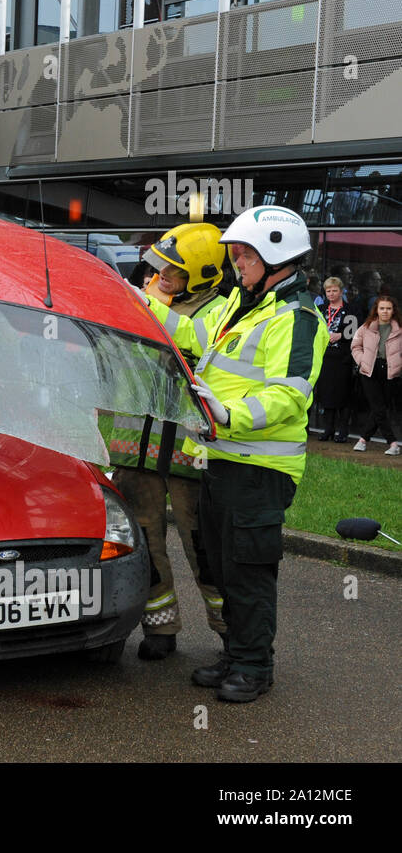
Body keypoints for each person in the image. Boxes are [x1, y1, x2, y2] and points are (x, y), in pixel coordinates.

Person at [146, 204, 327, 703]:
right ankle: (235, 653)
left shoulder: (297, 317)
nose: (237, 263)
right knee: (222, 566)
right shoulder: (241, 302)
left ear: (274, 256)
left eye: (244, 255)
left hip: (261, 468)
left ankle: (254, 665)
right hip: (223, 461)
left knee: (249, 572)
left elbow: (290, 395)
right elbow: (189, 336)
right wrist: (142, 301)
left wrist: (226, 414)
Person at [104, 224, 228, 661]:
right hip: (135, 444)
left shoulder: (219, 312)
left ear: (201, 276)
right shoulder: (149, 298)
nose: (159, 276)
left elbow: (190, 343)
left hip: (189, 452)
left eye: (171, 271)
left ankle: (232, 631)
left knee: (204, 545)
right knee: (145, 540)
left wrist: (145, 302)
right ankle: (160, 626)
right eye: (158, 268)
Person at [350, 294, 401, 455]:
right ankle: (393, 443)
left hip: (391, 372)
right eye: (382, 308)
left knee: (379, 408)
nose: (385, 311)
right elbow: (355, 346)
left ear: (393, 311)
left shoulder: (399, 329)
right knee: (378, 406)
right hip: (369, 370)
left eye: (388, 308)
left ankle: (363, 439)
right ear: (376, 310)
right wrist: (362, 361)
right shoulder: (366, 327)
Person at [317, 276, 357, 442]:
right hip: (325, 357)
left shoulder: (350, 309)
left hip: (342, 358)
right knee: (326, 394)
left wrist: (340, 335)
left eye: (334, 290)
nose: (331, 294)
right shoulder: (320, 308)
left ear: (341, 291)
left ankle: (343, 431)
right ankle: (328, 430)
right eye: (328, 291)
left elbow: (354, 331)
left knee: (343, 395)